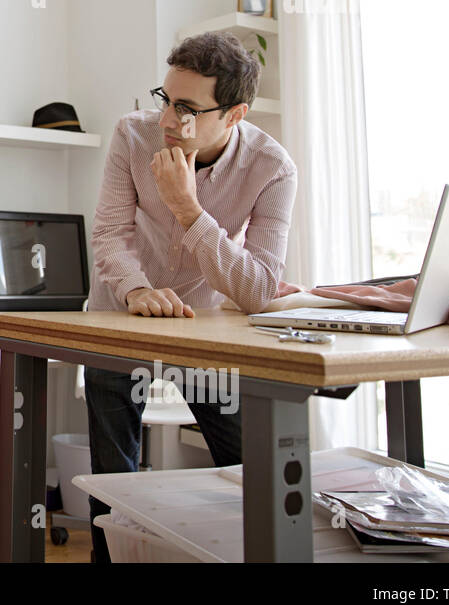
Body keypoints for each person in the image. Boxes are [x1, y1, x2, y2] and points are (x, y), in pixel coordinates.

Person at [83, 30, 297, 562]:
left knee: (250, 465)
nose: (166, 121)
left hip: (201, 329)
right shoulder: (133, 136)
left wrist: (188, 208)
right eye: (165, 99)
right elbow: (110, 231)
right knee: (114, 487)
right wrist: (135, 289)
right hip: (120, 318)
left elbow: (258, 291)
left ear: (234, 114)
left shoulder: (272, 168)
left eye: (187, 109)